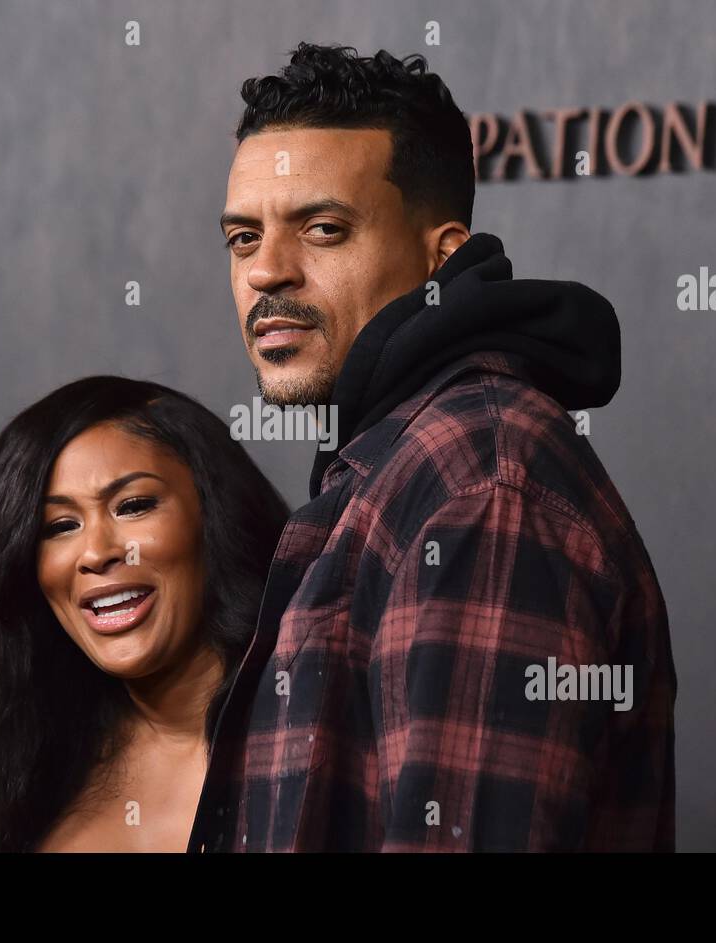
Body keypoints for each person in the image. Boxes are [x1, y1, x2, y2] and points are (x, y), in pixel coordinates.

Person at [191, 43, 677, 852]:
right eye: (244, 239)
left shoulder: (480, 482)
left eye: (323, 229)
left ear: (442, 255)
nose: (267, 271)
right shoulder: (398, 458)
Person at [0, 376, 290, 851]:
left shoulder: (312, 731)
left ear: (216, 517)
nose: (95, 552)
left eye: (133, 506)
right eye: (60, 526)